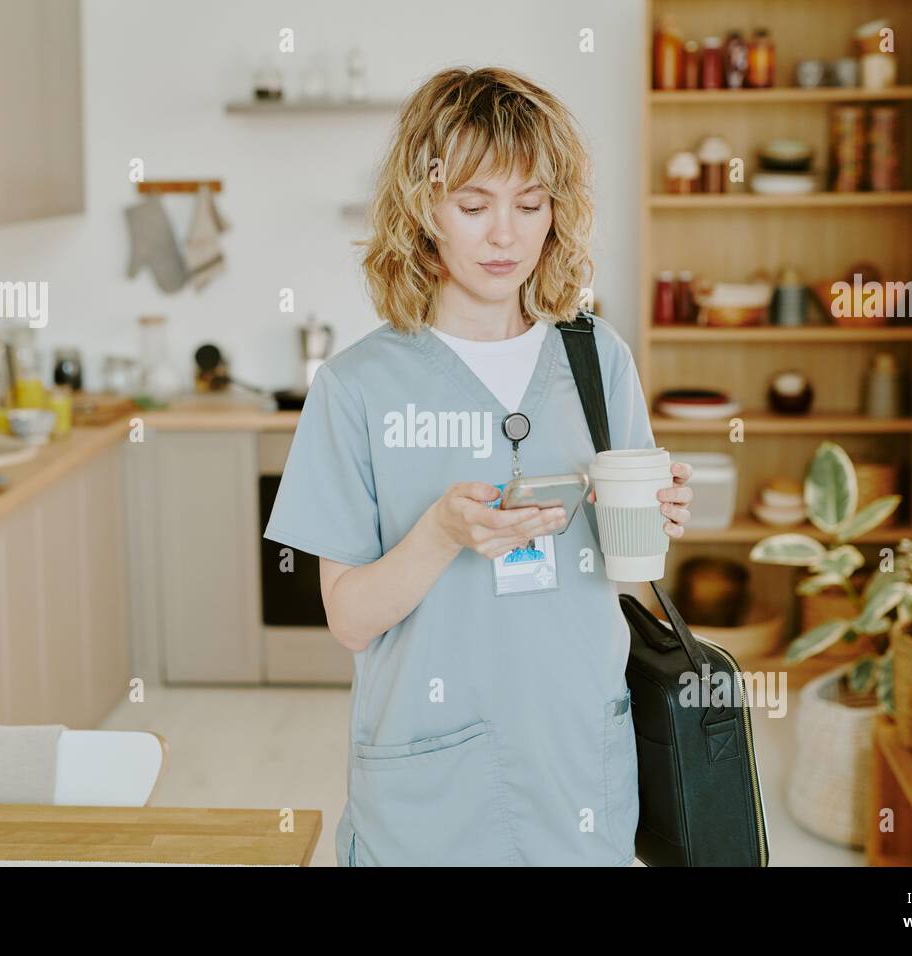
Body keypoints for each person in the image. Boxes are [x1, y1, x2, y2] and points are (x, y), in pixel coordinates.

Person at [263, 66, 694, 866]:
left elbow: (628, 572)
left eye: (531, 205)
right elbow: (350, 620)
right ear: (424, 208)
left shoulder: (598, 359)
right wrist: (440, 533)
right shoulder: (356, 387)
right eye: (474, 205)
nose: (506, 236)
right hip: (428, 786)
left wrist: (656, 514)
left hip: (577, 767)